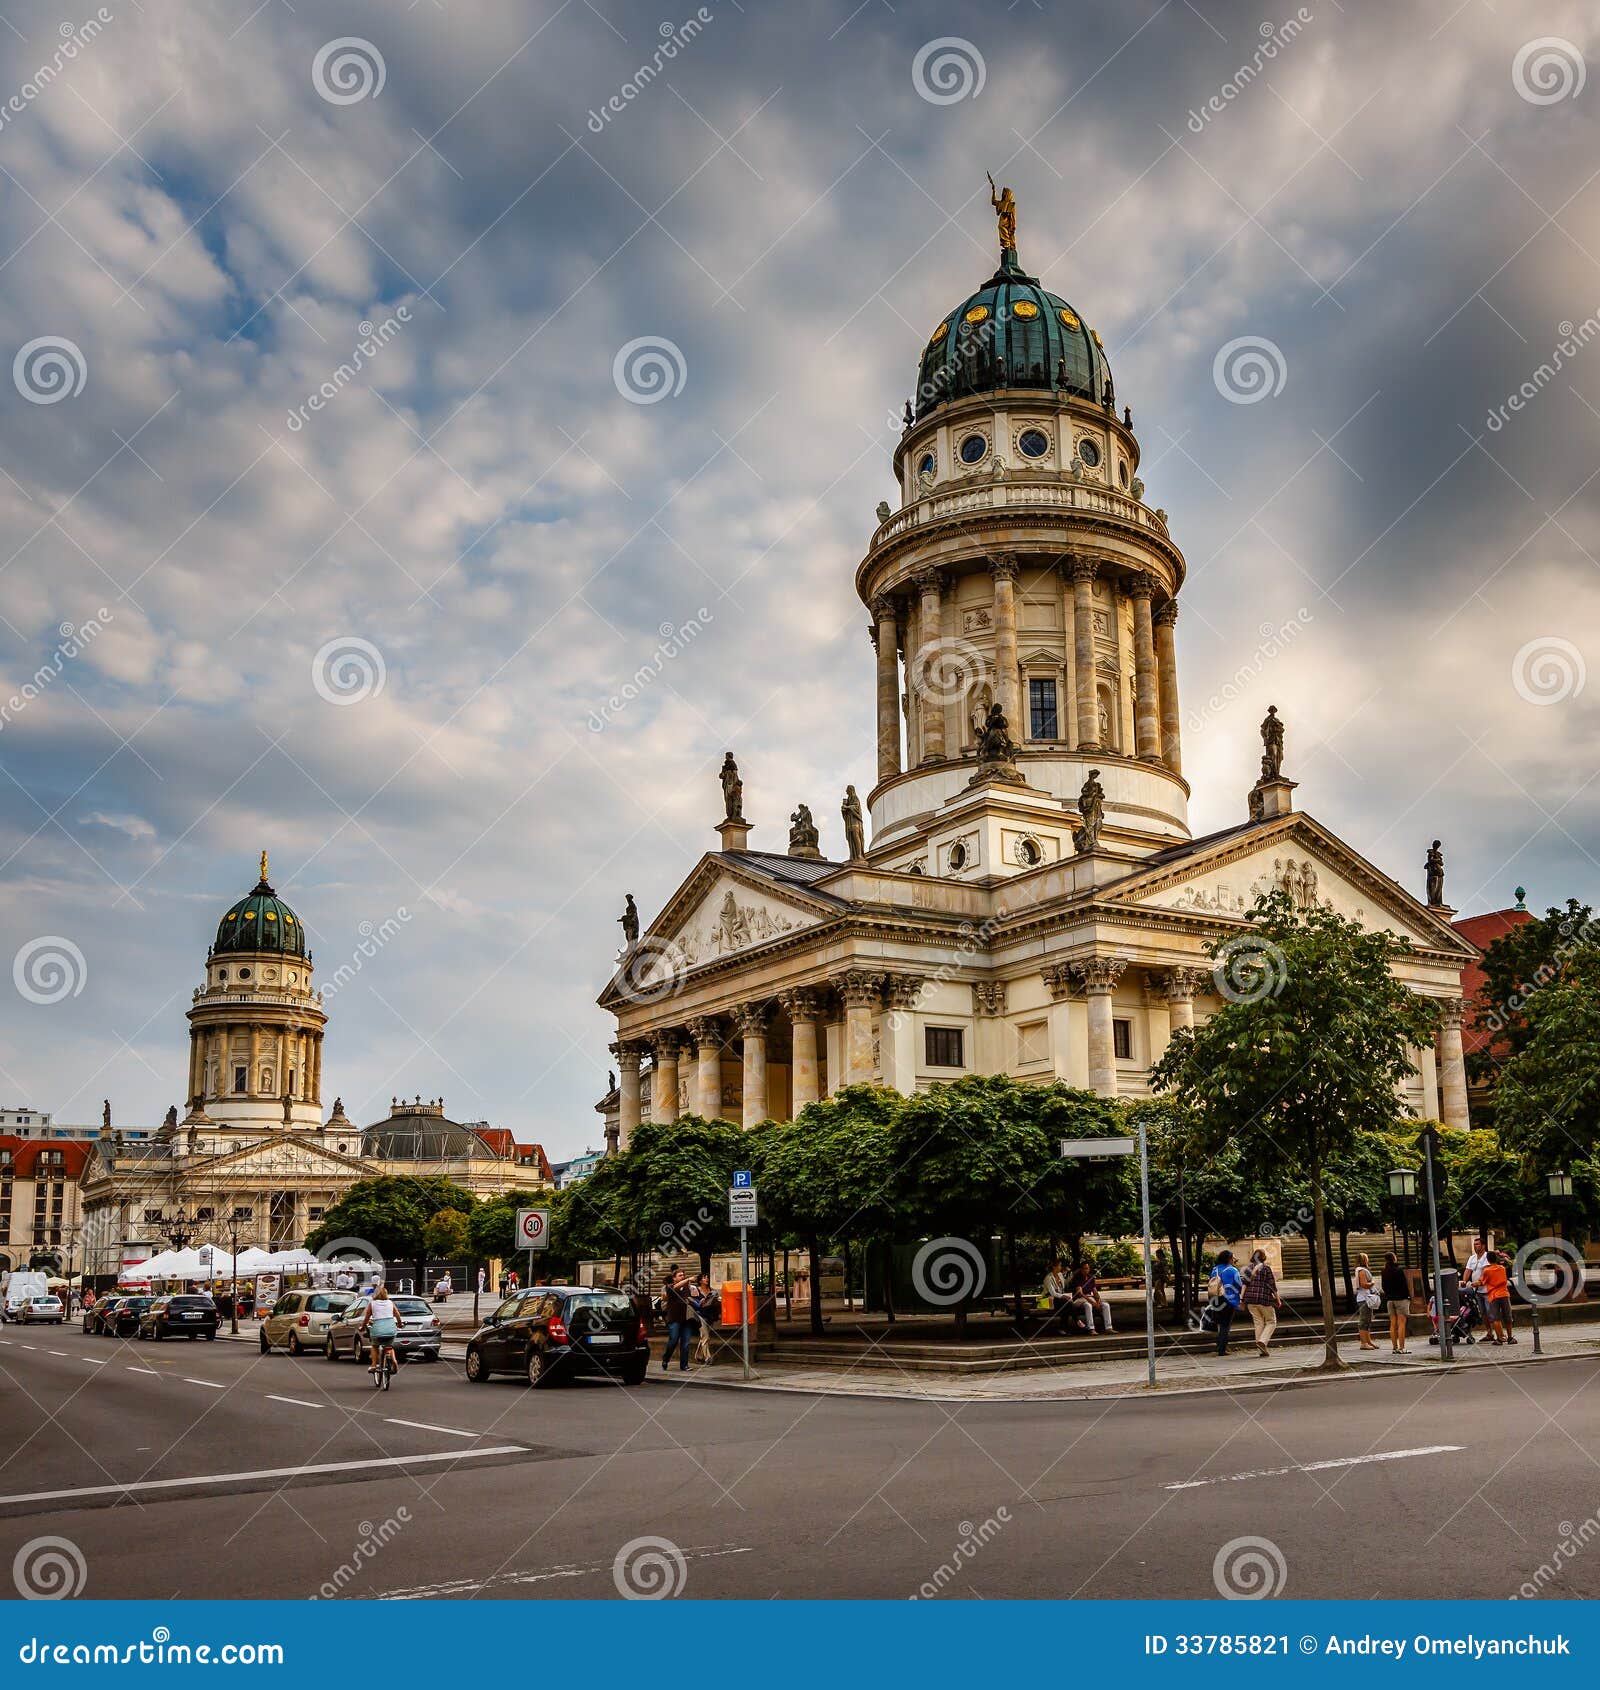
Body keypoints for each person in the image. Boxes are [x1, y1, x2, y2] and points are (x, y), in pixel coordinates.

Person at [1241, 1247, 1281, 1356]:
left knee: (1258, 1323)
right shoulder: (1266, 1268)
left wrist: (1241, 1298)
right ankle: (1262, 1341)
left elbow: (1244, 1284)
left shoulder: (1248, 1268)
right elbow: (1272, 1285)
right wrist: (1277, 1299)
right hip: (1264, 1299)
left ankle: (1261, 1350)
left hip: (1250, 1299)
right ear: (1263, 1257)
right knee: (1271, 1321)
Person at [362, 1283, 400, 1377]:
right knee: (389, 1346)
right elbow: (397, 1314)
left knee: (374, 1346)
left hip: (378, 1329)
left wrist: (362, 1326)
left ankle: (374, 1365)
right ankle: (394, 1361)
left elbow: (367, 1317)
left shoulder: (372, 1304)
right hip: (390, 1328)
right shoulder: (390, 1303)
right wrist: (400, 1323)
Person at [1210, 1249, 1243, 1356]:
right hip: (1229, 1300)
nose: (1234, 1260)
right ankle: (1222, 1349)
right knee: (1225, 1324)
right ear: (1228, 1259)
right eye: (1233, 1258)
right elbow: (1239, 1284)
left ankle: (1219, 1345)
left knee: (1220, 1323)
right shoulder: (1233, 1270)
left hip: (1216, 1298)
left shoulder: (1215, 1269)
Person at [1480, 1249, 1516, 1345]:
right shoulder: (1502, 1268)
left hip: (1493, 1295)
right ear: (1496, 1258)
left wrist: (1473, 1284)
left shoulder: (1486, 1270)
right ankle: (1510, 1337)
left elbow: (1482, 1282)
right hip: (1504, 1294)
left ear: (1487, 1260)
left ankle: (1500, 1338)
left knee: (1496, 1318)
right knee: (1507, 1316)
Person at [661, 1269, 693, 1373]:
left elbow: (689, 1299)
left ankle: (684, 1365)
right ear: (674, 1278)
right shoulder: (669, 1287)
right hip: (674, 1318)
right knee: (673, 1340)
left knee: (686, 1343)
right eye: (680, 1275)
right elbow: (675, 1288)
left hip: (686, 1319)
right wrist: (688, 1279)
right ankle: (666, 1358)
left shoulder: (687, 1288)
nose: (682, 1277)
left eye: (683, 1275)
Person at [1070, 1260, 1113, 1335]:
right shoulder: (1077, 1278)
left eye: (1087, 1268)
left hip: (1089, 1297)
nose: (1086, 1270)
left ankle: (1108, 1328)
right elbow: (1080, 1294)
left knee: (1105, 1305)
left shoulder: (1091, 1277)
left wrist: (1098, 1301)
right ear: (1081, 1269)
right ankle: (1091, 1328)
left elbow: (1095, 1291)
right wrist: (1092, 1302)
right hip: (1079, 1299)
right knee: (1088, 1305)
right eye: (1084, 1268)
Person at [1381, 1251, 1411, 1352]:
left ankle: (1394, 1347)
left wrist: (1388, 1295)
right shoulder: (1399, 1270)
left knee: (1392, 1324)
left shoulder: (1384, 1271)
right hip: (1401, 1299)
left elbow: (1383, 1286)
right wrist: (1408, 1296)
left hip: (1390, 1299)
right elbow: (1404, 1285)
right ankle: (1401, 1347)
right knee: (1401, 1323)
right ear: (1394, 1259)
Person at [1354, 1252, 1379, 1351]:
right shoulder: (1362, 1271)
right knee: (1364, 1321)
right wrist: (1372, 1283)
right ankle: (1363, 1343)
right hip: (1364, 1298)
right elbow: (1364, 1284)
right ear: (1364, 1260)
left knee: (1368, 1321)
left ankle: (1368, 1341)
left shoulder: (1360, 1270)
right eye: (1367, 1258)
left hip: (1365, 1297)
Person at [1043, 1258, 1072, 1332]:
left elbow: (1064, 1285)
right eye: (1059, 1266)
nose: (1061, 1267)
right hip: (1049, 1300)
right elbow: (1053, 1293)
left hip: (1058, 1299)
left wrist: (1070, 1274)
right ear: (1054, 1267)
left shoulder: (1060, 1275)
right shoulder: (1048, 1278)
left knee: (1067, 1305)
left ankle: (1063, 1328)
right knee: (1066, 1304)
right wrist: (1064, 1296)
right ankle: (1075, 1321)